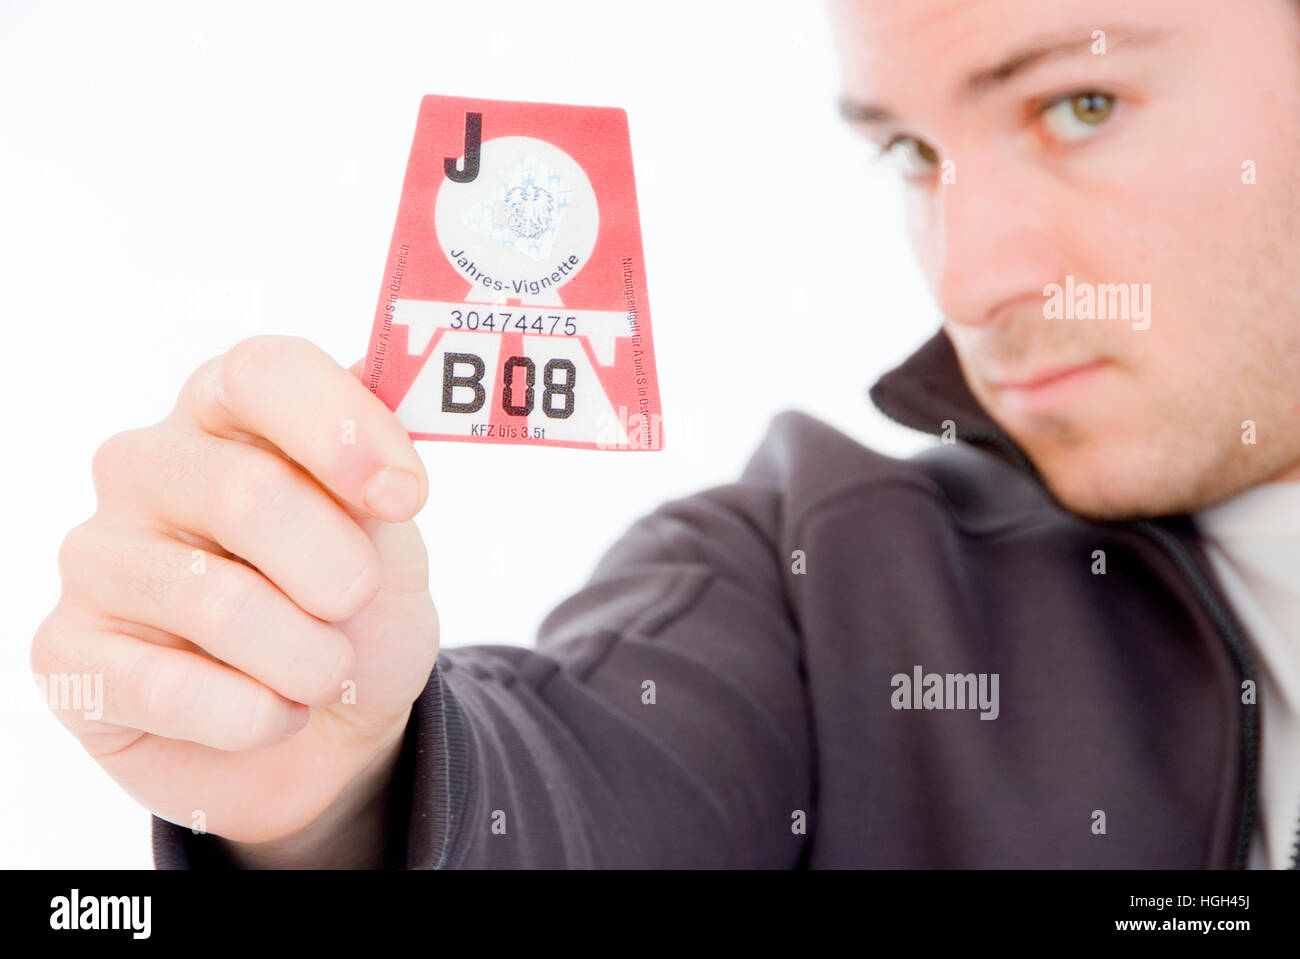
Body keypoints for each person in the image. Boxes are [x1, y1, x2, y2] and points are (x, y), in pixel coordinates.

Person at [31, 0, 1300, 868]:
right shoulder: (815, 578)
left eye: (1079, 105)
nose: (966, 280)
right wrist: (351, 804)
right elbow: (587, 795)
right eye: (912, 152)